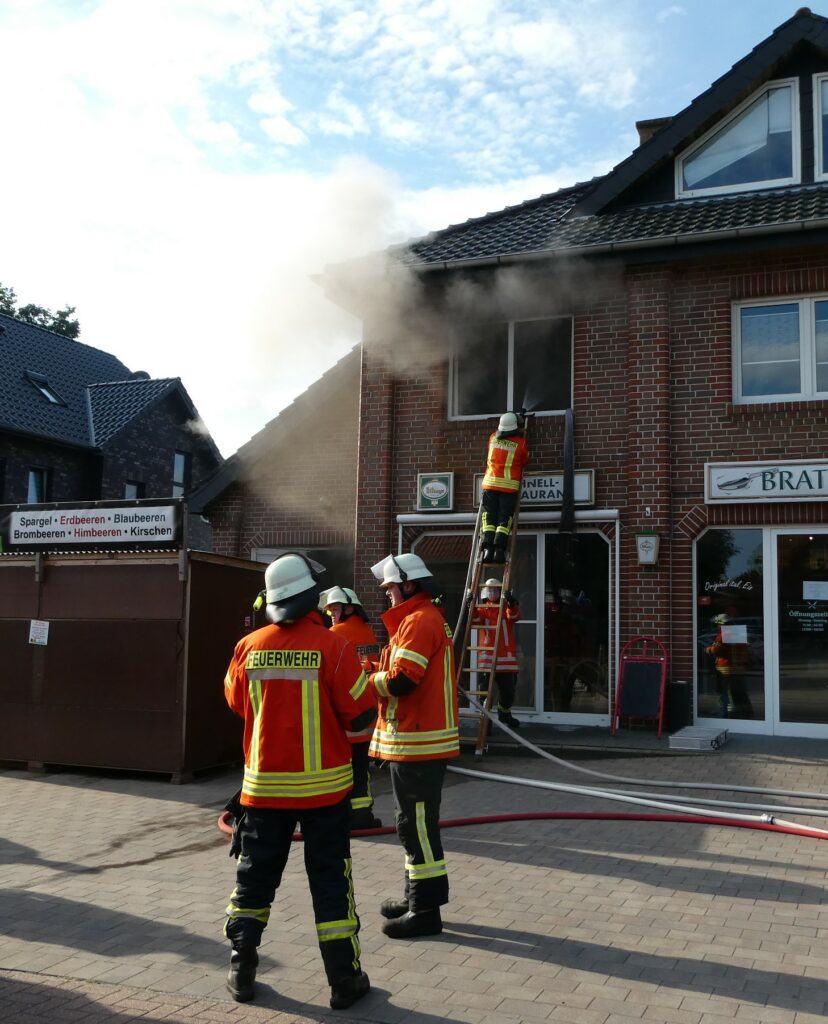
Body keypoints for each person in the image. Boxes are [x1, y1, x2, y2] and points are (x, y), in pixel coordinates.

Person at [222, 553, 377, 1010]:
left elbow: (236, 702)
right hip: (325, 794)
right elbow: (361, 713)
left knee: (253, 881)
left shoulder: (248, 646)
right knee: (331, 884)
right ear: (310, 595)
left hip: (263, 793)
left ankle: (242, 969)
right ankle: (343, 980)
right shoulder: (334, 647)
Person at [365, 552, 459, 939]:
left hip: (418, 743)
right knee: (412, 825)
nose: (387, 593)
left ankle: (425, 912)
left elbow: (403, 681)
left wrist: (366, 682)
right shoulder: (418, 618)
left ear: (408, 585)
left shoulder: (419, 621)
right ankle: (415, 897)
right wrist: (376, 670)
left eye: (390, 587)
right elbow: (401, 672)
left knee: (416, 827)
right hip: (415, 741)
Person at [323, 585, 382, 830]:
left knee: (341, 771)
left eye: (335, 609)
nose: (332, 615)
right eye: (330, 611)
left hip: (344, 717)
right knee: (361, 769)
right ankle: (362, 815)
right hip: (367, 715)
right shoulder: (368, 632)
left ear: (348, 609)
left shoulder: (335, 634)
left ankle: (341, 816)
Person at [480, 411, 530, 563]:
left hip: (490, 485)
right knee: (504, 518)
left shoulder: (492, 438)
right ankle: (499, 550)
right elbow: (525, 460)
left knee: (489, 516)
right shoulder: (520, 443)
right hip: (509, 488)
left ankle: (487, 549)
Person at [472, 577, 522, 729]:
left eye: (495, 590)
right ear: (486, 592)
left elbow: (514, 616)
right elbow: (474, 620)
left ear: (500, 592)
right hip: (487, 658)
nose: (492, 593)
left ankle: (504, 714)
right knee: (484, 694)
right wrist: (470, 605)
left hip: (506, 659)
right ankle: (485, 723)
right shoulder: (482, 608)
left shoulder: (506, 607)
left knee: (508, 691)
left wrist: (512, 603)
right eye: (490, 590)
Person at [705, 611, 754, 718]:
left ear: (721, 624)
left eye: (717, 624)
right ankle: (745, 710)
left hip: (725, 667)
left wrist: (708, 649)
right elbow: (746, 649)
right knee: (739, 690)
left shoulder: (723, 635)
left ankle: (728, 712)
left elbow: (717, 650)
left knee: (725, 690)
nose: (717, 627)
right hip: (739, 667)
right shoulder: (738, 633)